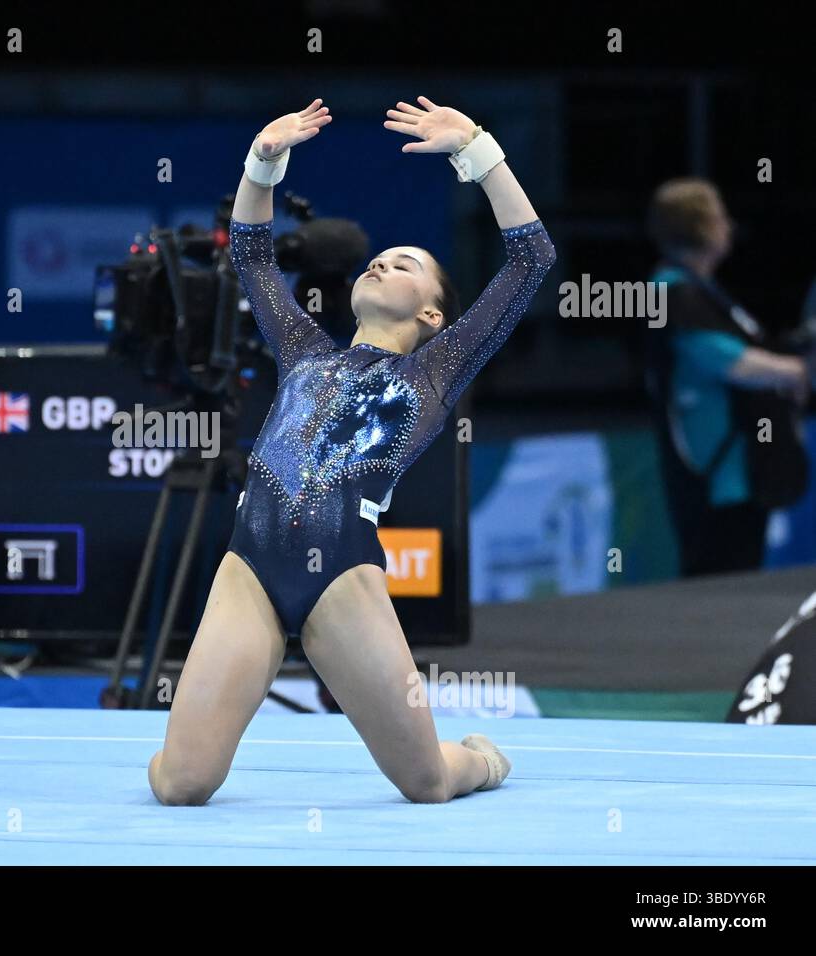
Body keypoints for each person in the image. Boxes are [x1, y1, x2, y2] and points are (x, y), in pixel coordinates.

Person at [148, 97, 555, 805]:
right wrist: (262, 160)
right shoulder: (303, 349)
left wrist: (478, 152)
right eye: (379, 259)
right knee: (183, 783)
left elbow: (531, 258)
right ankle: (186, 737)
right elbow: (249, 251)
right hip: (250, 563)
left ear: (433, 313)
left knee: (426, 782)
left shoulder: (436, 369)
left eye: (405, 264)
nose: (380, 265)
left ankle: (482, 760)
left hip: (342, 575)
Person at [644, 178, 815, 576]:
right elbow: (731, 362)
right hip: (715, 470)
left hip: (744, 468)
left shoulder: (704, 290)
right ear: (700, 227)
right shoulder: (670, 291)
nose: (729, 226)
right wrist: (795, 371)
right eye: (720, 216)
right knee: (715, 583)